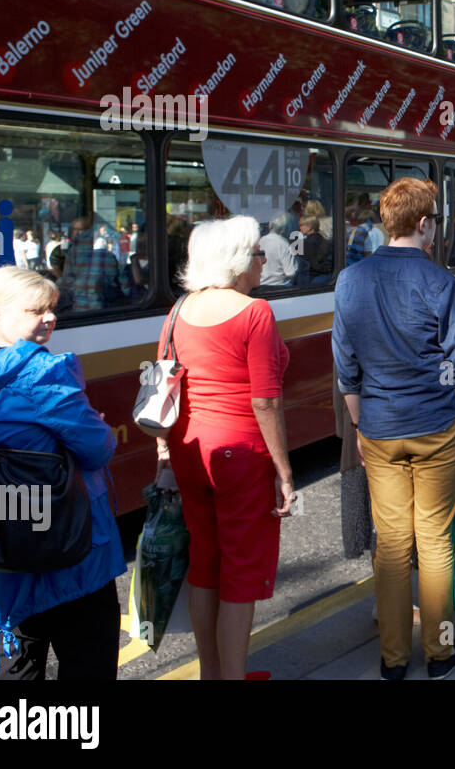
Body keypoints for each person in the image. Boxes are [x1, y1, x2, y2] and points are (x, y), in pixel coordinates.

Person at [333, 178, 455, 680]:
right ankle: (439, 653)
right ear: (424, 225)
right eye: (435, 221)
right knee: (436, 543)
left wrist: (360, 423)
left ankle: (393, 659)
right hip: (436, 428)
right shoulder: (443, 283)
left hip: (378, 427)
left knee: (393, 544)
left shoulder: (350, 281)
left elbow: (346, 369)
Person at [0, 267, 123, 679]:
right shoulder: (42, 371)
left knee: (16, 670)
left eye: (52, 308)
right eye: (36, 310)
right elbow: (97, 449)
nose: (50, 318)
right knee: (88, 664)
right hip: (68, 553)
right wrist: (92, 424)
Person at [157, 217, 292, 680]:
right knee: (240, 571)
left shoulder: (179, 311)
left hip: (189, 449)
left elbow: (164, 382)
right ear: (236, 262)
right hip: (241, 454)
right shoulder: (254, 313)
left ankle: (210, 674)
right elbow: (266, 400)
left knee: (205, 562)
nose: (262, 262)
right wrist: (284, 470)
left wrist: (163, 456)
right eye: (257, 254)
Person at [258, 214, 298, 287]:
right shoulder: (284, 244)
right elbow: (290, 272)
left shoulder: (261, 241)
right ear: (284, 229)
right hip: (279, 285)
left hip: (261, 284)